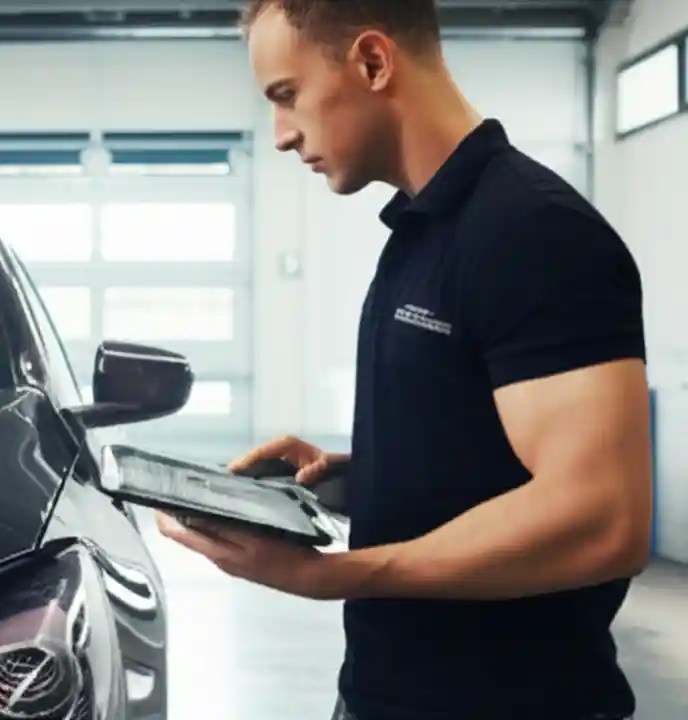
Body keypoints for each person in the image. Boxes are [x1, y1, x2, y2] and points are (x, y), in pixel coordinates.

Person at [154, 1, 653, 719]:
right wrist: (353, 478)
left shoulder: (535, 232)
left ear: (373, 62)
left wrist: (335, 574)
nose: (282, 135)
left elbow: (600, 516)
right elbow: (493, 458)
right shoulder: (423, 233)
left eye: (286, 95)